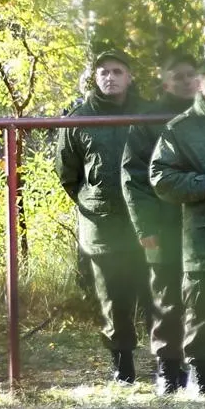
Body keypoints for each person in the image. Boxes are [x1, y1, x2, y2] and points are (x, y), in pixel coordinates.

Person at [148, 55, 205, 394]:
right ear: (200, 84)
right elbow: (160, 176)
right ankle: (200, 378)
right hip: (203, 230)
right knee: (202, 307)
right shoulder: (180, 128)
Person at [55, 50, 148, 383]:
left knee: (156, 293)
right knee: (113, 298)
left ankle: (170, 364)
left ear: (130, 77)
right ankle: (123, 366)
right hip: (102, 223)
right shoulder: (78, 120)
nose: (110, 77)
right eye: (104, 72)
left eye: (117, 71)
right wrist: (92, 199)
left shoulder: (148, 114)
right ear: (95, 78)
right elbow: (67, 174)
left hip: (147, 220)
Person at [126, 53, 198, 393]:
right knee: (167, 297)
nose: (186, 81)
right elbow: (133, 177)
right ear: (165, 81)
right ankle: (168, 368)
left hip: (204, 222)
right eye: (178, 75)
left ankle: (200, 366)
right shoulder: (148, 121)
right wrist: (145, 226)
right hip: (163, 223)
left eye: (191, 75)